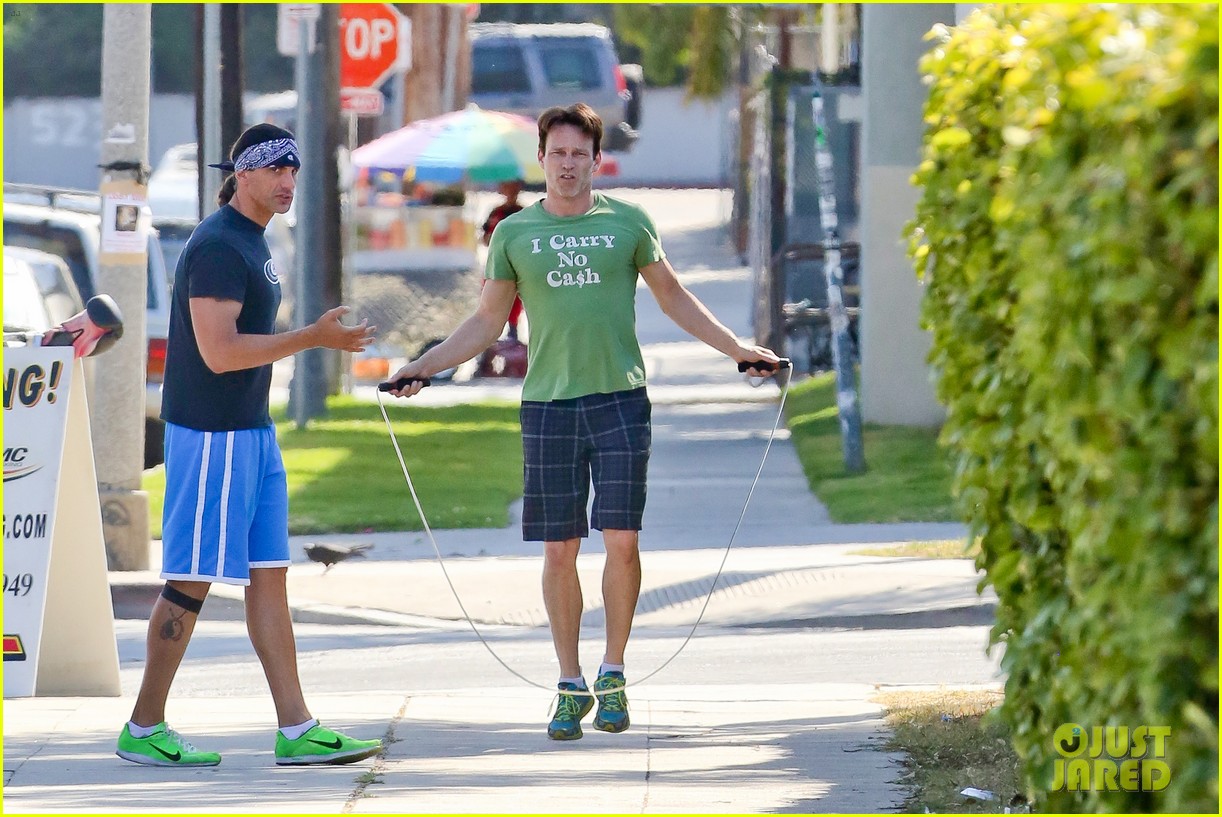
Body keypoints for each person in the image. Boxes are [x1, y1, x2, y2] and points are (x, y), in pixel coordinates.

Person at [386, 104, 781, 741]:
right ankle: (570, 682)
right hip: (547, 405)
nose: (567, 165)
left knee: (621, 540)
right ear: (541, 159)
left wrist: (737, 348)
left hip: (620, 399)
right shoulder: (516, 233)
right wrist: (423, 366)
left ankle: (614, 673)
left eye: (579, 154)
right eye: (557, 154)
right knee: (559, 548)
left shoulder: (628, 223)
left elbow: (673, 296)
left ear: (596, 160)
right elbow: (486, 323)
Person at [117, 123, 382, 768]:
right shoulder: (217, 247)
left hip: (251, 435)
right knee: (190, 583)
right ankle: (144, 726)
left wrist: (307, 340)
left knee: (270, 577)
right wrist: (312, 340)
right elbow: (219, 350)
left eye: (294, 171)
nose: (288, 183)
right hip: (211, 435)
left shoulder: (254, 241)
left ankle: (297, 730)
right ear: (243, 175)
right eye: (275, 172)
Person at [480, 179, 525, 340]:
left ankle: (512, 333)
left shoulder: (523, 213)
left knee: (514, 302)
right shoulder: (495, 213)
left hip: (517, 264)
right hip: (497, 264)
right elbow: (484, 239)